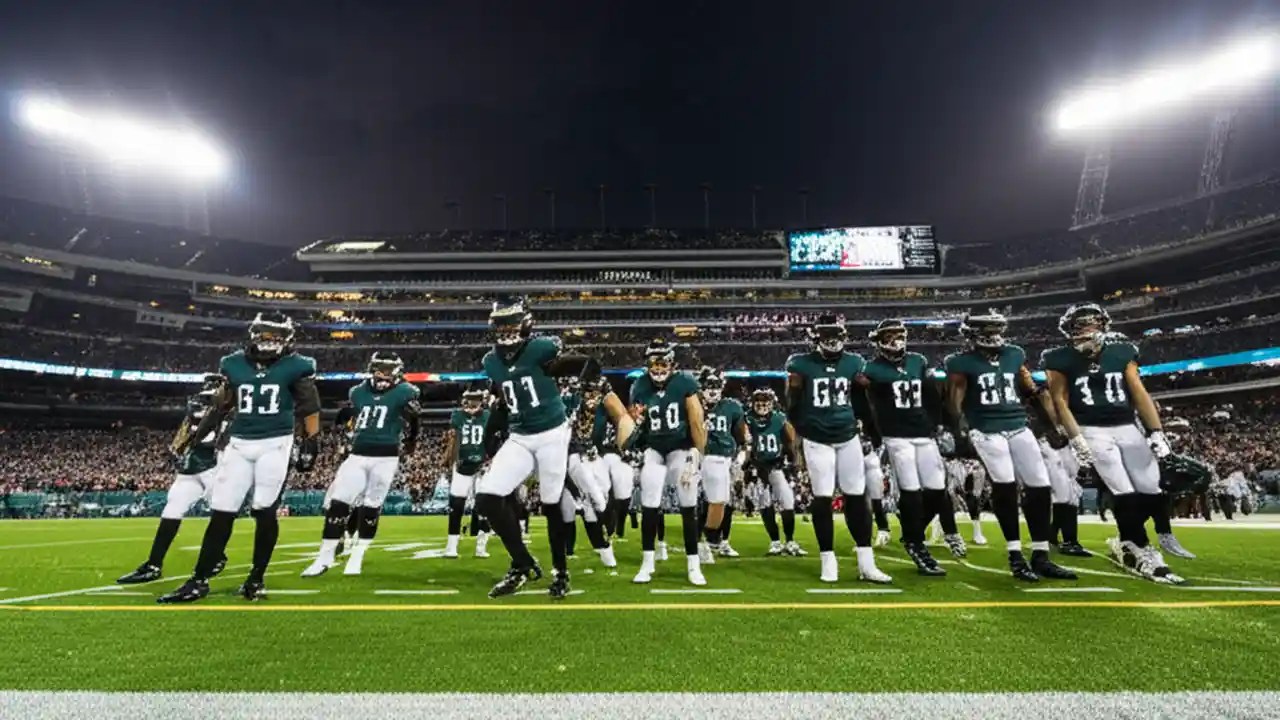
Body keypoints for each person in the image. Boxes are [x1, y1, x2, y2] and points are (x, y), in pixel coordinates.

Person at [158, 312, 321, 603]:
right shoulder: (233, 364)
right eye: (264, 334)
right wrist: (196, 437)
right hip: (239, 443)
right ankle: (199, 580)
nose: (269, 341)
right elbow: (221, 406)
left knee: (264, 509)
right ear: (253, 334)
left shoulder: (297, 366)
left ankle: (256, 578)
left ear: (287, 339)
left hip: (275, 444)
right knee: (222, 510)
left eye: (276, 336)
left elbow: (309, 408)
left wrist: (311, 443)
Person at [1042, 303, 1185, 584]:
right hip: (1091, 428)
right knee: (1123, 490)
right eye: (1080, 325)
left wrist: (1156, 431)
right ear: (1069, 331)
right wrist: (1076, 437)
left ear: (1103, 325)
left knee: (1151, 488)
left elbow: (1139, 392)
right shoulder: (1058, 358)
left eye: (1091, 323)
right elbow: (1060, 401)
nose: (1087, 330)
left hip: (1126, 426)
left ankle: (1131, 539)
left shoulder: (1122, 351)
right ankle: (1140, 550)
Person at [477, 297, 602, 599]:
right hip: (520, 435)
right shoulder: (491, 361)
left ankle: (560, 572)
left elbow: (589, 364)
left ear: (525, 324)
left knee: (551, 503)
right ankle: (522, 563)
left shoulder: (540, 349)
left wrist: (583, 381)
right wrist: (488, 437)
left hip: (551, 434)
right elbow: (504, 399)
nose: (505, 332)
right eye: (500, 326)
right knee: (487, 497)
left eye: (511, 325)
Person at [944, 310, 1075, 583]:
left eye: (996, 329)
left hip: (1018, 425)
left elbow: (1031, 392)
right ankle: (1015, 555)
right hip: (986, 429)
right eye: (987, 330)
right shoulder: (960, 362)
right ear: (973, 334)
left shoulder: (1014, 354)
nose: (994, 335)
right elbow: (955, 403)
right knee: (1004, 485)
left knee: (1040, 486)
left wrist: (1053, 426)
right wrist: (961, 434)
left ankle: (1041, 555)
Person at [785, 313, 891, 584]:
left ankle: (866, 563)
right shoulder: (801, 363)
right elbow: (792, 401)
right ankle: (828, 560)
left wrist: (870, 428)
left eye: (836, 335)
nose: (832, 340)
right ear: (816, 337)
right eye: (827, 335)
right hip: (817, 438)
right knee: (822, 497)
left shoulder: (854, 362)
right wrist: (801, 429)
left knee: (856, 496)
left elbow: (863, 398)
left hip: (847, 435)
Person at [301, 352, 420, 577]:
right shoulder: (357, 392)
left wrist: (412, 430)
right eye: (379, 368)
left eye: (387, 369)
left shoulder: (406, 391)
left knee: (371, 506)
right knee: (338, 503)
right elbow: (348, 416)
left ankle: (357, 556)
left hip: (386, 456)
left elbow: (413, 421)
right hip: (357, 454)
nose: (383, 374)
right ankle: (324, 558)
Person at [860, 319, 957, 573]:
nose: (895, 341)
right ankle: (916, 544)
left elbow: (931, 393)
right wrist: (873, 431)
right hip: (895, 434)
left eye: (899, 335)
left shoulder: (917, 361)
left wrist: (938, 423)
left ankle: (912, 530)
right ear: (879, 341)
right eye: (889, 336)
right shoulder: (871, 368)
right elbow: (864, 401)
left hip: (923, 432)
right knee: (910, 489)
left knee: (937, 489)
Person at [117, 375, 228, 584]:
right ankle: (153, 564)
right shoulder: (214, 405)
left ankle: (216, 557)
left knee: (221, 516)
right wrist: (177, 449)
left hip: (215, 465)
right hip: (194, 466)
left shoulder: (221, 406)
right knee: (172, 511)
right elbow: (188, 428)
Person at [630, 338, 708, 585]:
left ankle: (693, 564)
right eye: (654, 363)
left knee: (688, 498)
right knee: (649, 498)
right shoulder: (639, 385)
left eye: (663, 363)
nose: (658, 368)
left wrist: (697, 452)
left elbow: (696, 419)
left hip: (679, 446)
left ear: (672, 364)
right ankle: (647, 562)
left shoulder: (684, 382)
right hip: (654, 447)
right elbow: (636, 422)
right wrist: (634, 446)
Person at [696, 367, 749, 561]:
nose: (712, 390)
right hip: (701, 455)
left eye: (716, 386)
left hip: (724, 457)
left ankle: (716, 541)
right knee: (708, 501)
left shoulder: (731, 407)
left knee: (724, 502)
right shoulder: (692, 404)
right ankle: (705, 541)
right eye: (708, 385)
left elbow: (743, 437)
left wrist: (740, 459)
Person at [745, 387, 806, 557]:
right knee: (765, 504)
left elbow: (791, 441)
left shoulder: (779, 419)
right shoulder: (747, 419)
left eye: (765, 402)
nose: (762, 405)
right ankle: (775, 542)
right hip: (757, 467)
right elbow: (744, 443)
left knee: (787, 502)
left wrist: (794, 461)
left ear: (772, 403)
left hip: (776, 465)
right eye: (758, 402)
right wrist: (747, 466)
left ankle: (790, 541)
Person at [443, 386, 491, 559]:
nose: (472, 403)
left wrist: (490, 459)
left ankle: (481, 547)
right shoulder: (457, 416)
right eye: (469, 399)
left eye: (475, 399)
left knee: (485, 506)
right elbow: (453, 439)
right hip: (462, 464)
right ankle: (451, 546)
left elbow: (493, 439)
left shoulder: (488, 416)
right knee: (456, 506)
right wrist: (450, 460)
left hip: (482, 465)